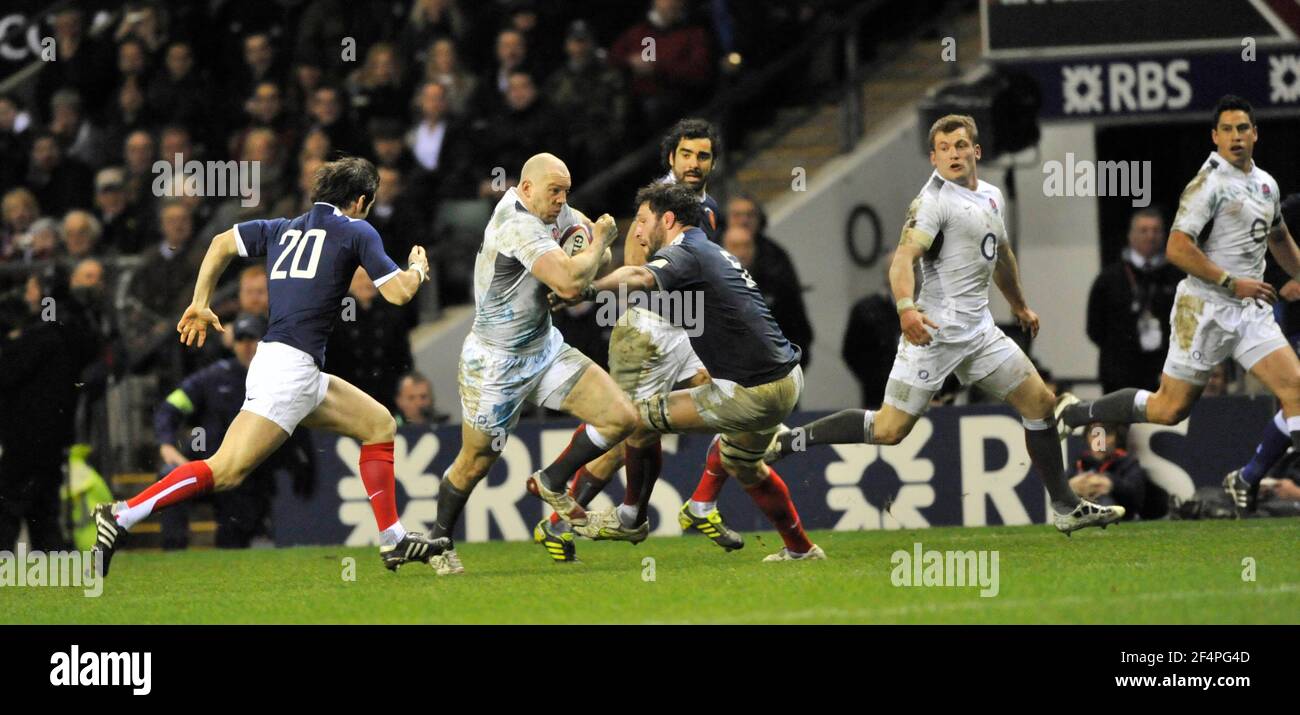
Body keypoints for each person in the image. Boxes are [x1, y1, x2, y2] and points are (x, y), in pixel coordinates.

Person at [765, 114, 1124, 535]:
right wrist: (905, 308)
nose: (953, 154)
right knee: (888, 429)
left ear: (976, 151)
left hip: (981, 333)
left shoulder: (991, 196)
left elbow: (1001, 254)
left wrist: (1020, 306)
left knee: (1041, 407)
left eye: (960, 145)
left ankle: (1065, 507)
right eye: (944, 148)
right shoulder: (932, 202)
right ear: (933, 157)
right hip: (933, 334)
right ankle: (789, 441)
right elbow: (903, 259)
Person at [91, 157, 448, 576]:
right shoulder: (356, 230)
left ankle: (394, 540)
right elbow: (400, 294)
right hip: (289, 373)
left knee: (379, 425)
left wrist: (200, 301)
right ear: (362, 200)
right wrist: (419, 269)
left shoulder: (282, 227)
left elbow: (222, 241)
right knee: (225, 471)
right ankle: (123, 515)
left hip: (291, 365)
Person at [1057, 96, 1300, 520]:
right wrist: (1230, 280)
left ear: (1255, 134)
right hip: (1203, 309)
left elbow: (1279, 238)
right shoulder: (1207, 184)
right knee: (1169, 409)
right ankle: (1081, 412)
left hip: (1249, 311)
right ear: (1215, 137)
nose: (1236, 137)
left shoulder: (1266, 185)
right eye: (1227, 129)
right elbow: (1176, 247)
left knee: (1295, 390)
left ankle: (1246, 478)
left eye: (1243, 128)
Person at [564, 182, 820, 561]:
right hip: (785, 379)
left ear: (667, 220)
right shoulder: (708, 250)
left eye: (643, 220)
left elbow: (640, 277)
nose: (637, 229)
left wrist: (588, 289)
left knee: (636, 420)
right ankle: (799, 547)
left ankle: (630, 515)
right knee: (743, 463)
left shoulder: (685, 252)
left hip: (752, 392)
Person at [430, 152, 635, 576]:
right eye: (553, 191)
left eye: (565, 191)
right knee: (476, 462)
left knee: (621, 418)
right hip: (495, 364)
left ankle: (553, 481)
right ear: (525, 189)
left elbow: (592, 268)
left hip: (543, 349)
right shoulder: (517, 224)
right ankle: (439, 541)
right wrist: (600, 241)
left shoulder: (556, 211)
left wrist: (592, 251)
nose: (561, 199)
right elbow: (572, 279)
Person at [153, 314, 314, 548]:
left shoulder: (279, 379)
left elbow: (299, 424)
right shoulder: (212, 377)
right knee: (170, 473)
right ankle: (174, 550)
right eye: (241, 339)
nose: (247, 345)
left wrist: (302, 462)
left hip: (249, 474)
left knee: (236, 536)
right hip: (208, 465)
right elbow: (170, 408)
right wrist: (167, 444)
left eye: (253, 338)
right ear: (234, 344)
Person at [1086, 208, 1183, 393]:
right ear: (1131, 236)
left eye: (1156, 230)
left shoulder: (1176, 277)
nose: (1150, 236)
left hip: (1164, 376)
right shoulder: (1109, 279)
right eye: (1144, 230)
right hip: (1119, 377)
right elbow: (1095, 329)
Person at [1070, 422, 1166, 521]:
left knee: (1106, 503)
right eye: (1094, 434)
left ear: (1117, 438)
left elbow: (1137, 499)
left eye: (1107, 434)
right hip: (1083, 517)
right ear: (1087, 437)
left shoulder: (1128, 463)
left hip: (1121, 518)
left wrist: (1111, 484)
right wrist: (1071, 487)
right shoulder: (1080, 463)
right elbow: (1058, 499)